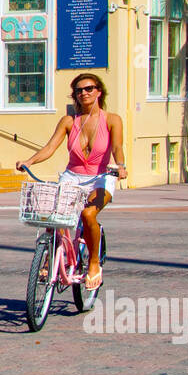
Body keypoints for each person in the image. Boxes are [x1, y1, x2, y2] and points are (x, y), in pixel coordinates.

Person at [15, 73, 127, 290]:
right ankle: (50, 255)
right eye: (79, 90)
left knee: (88, 214)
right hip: (72, 177)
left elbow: (117, 148)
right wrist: (29, 161)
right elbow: (49, 148)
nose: (84, 93)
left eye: (89, 88)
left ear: (99, 91)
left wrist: (121, 165)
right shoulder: (69, 121)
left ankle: (94, 263)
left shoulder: (112, 119)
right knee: (52, 216)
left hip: (101, 177)